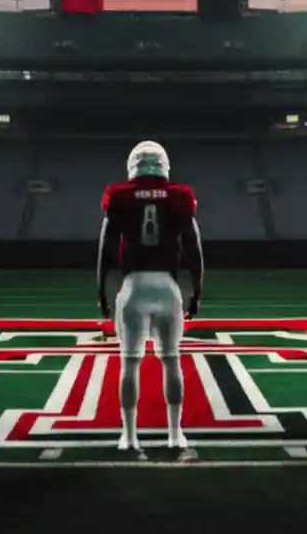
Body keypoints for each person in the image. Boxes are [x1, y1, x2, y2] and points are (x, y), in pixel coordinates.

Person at [97, 140, 204, 455]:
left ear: (133, 165)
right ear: (163, 164)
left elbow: (106, 247)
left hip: (133, 286)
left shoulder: (119, 195)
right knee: (171, 360)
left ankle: (129, 436)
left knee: (130, 363)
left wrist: (101, 290)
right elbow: (194, 248)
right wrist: (197, 291)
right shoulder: (180, 195)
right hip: (167, 285)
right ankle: (175, 434)